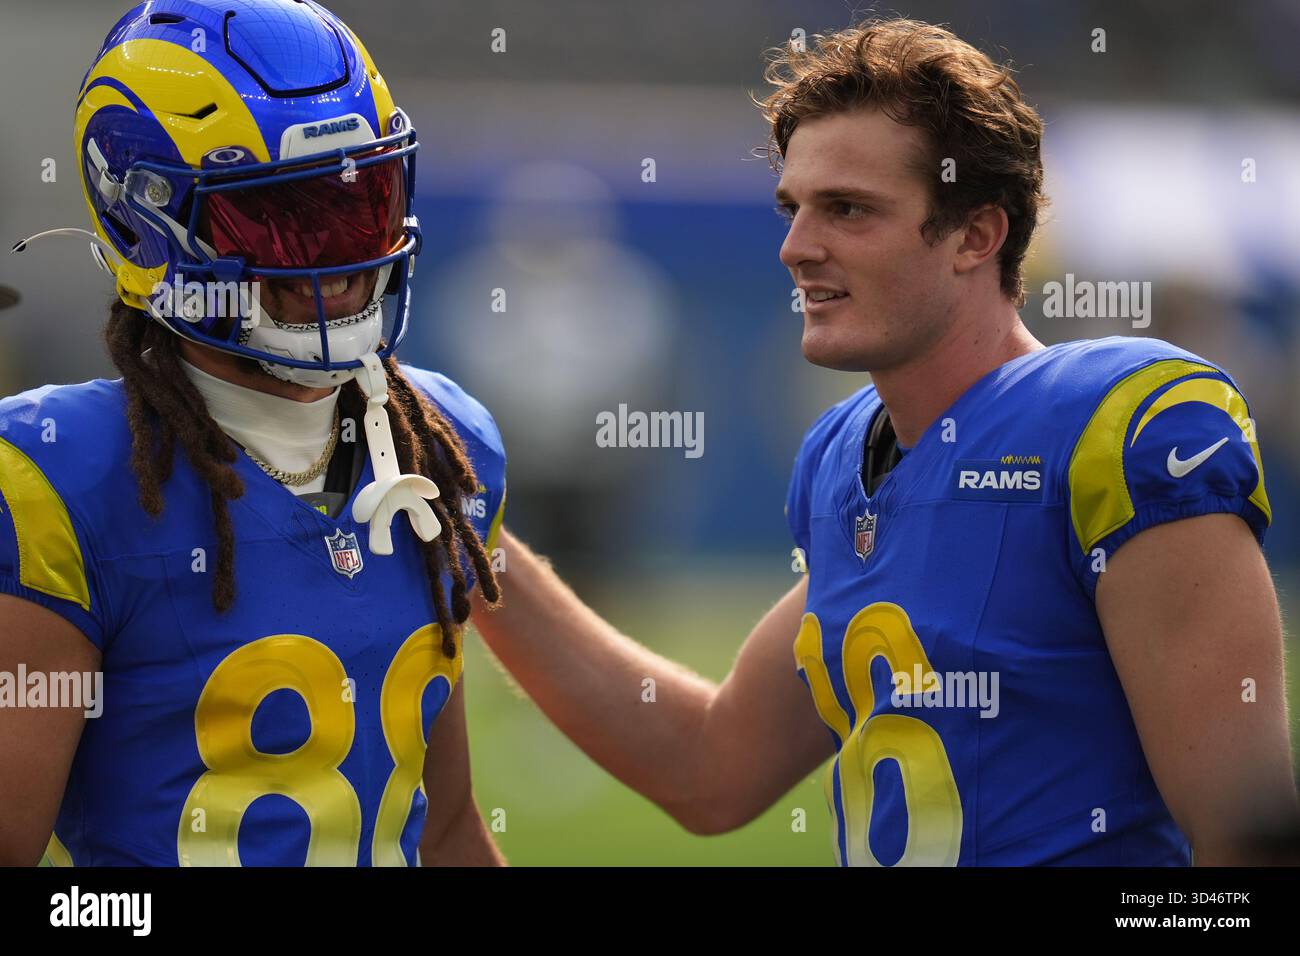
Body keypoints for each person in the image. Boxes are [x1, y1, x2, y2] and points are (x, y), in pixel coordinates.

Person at [470, 18, 1299, 865]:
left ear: (976, 235)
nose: (796, 248)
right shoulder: (847, 460)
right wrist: (475, 539)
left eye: (849, 210)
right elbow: (708, 768)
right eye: (794, 209)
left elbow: (1247, 851)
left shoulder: (1116, 431)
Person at [0, 0, 505, 866]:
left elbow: (449, 829)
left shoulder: (441, 443)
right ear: (147, 220)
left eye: (363, 201)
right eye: (287, 216)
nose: (343, 260)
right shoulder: (59, 478)